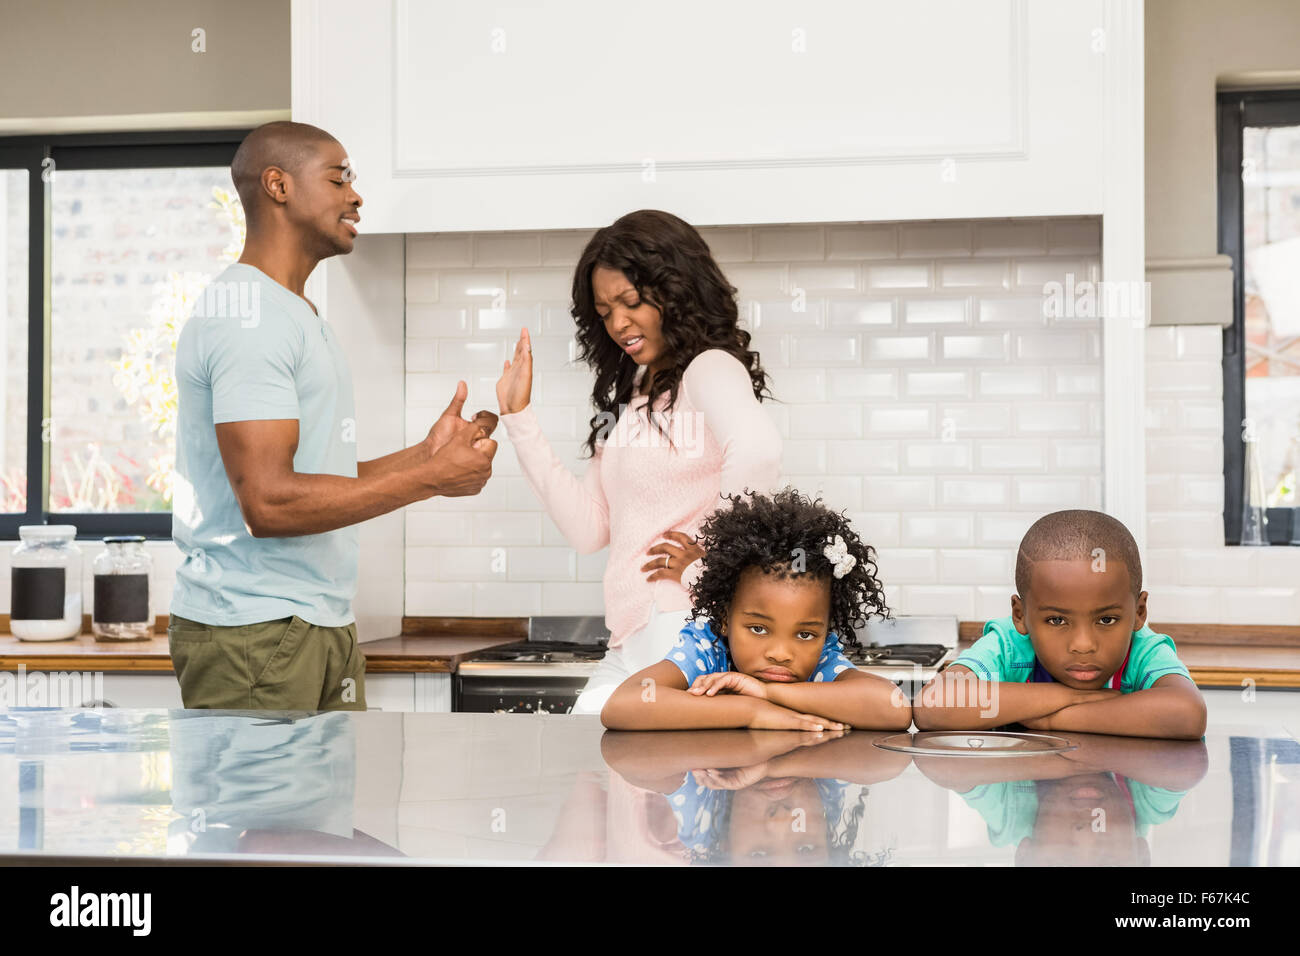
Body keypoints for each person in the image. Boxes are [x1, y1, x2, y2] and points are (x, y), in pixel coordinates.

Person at [169, 121, 498, 711]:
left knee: (325, 809)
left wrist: (426, 456)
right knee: (269, 809)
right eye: (338, 177)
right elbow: (269, 503)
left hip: (313, 624)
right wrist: (429, 479)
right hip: (254, 630)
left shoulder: (293, 313)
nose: (356, 195)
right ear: (278, 186)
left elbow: (313, 480)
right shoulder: (249, 318)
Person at [495, 209, 782, 714]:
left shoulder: (708, 368)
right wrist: (519, 418)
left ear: (677, 292)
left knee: (640, 776)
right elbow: (590, 528)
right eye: (605, 311)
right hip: (630, 637)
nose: (618, 323)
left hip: (681, 624)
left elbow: (758, 451)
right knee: (595, 776)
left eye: (631, 302)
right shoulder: (635, 391)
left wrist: (711, 562)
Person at [600, 488, 912, 731]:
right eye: (758, 629)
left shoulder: (821, 660)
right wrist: (752, 712)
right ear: (724, 618)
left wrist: (768, 694)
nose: (780, 652)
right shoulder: (710, 648)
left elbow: (893, 708)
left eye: (805, 634)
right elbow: (624, 704)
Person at [913, 509, 1207, 739]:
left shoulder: (1143, 649)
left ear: (1139, 613)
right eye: (1056, 620)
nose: (1083, 645)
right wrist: (1074, 697)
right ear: (1020, 615)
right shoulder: (1008, 645)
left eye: (1106, 619)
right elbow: (933, 706)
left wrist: (1055, 719)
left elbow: (1187, 715)